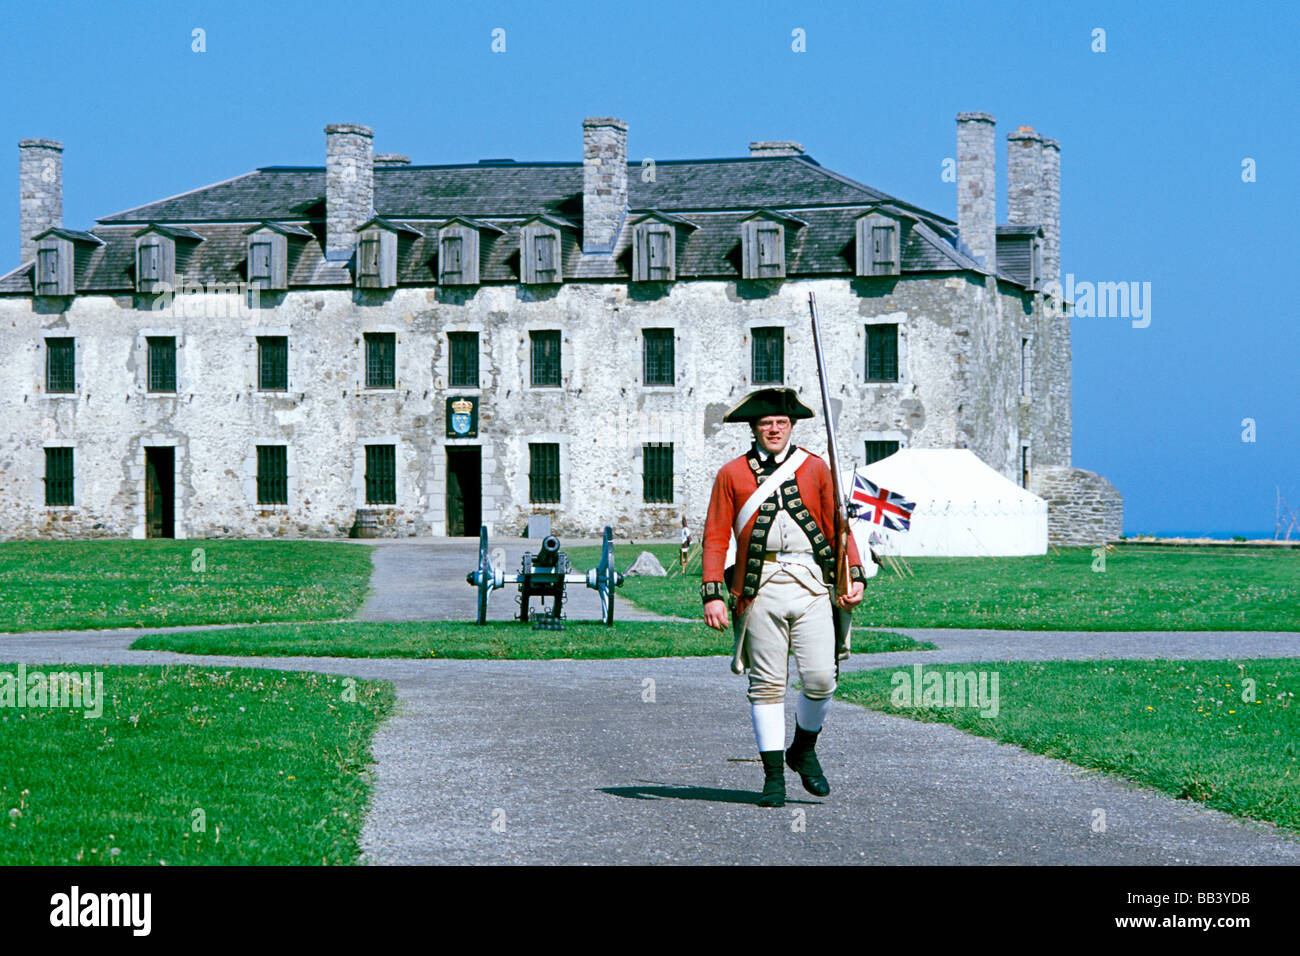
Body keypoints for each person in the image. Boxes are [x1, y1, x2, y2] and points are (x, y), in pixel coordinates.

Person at [701, 387, 867, 808]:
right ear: (754, 429)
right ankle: (773, 778)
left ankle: (803, 751)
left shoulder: (815, 467)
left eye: (781, 423)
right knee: (767, 687)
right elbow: (716, 536)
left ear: (791, 426)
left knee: (821, 678)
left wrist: (855, 574)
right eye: (766, 423)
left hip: (812, 583)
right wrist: (712, 594)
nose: (774, 429)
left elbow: (838, 525)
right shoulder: (731, 473)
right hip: (759, 588)